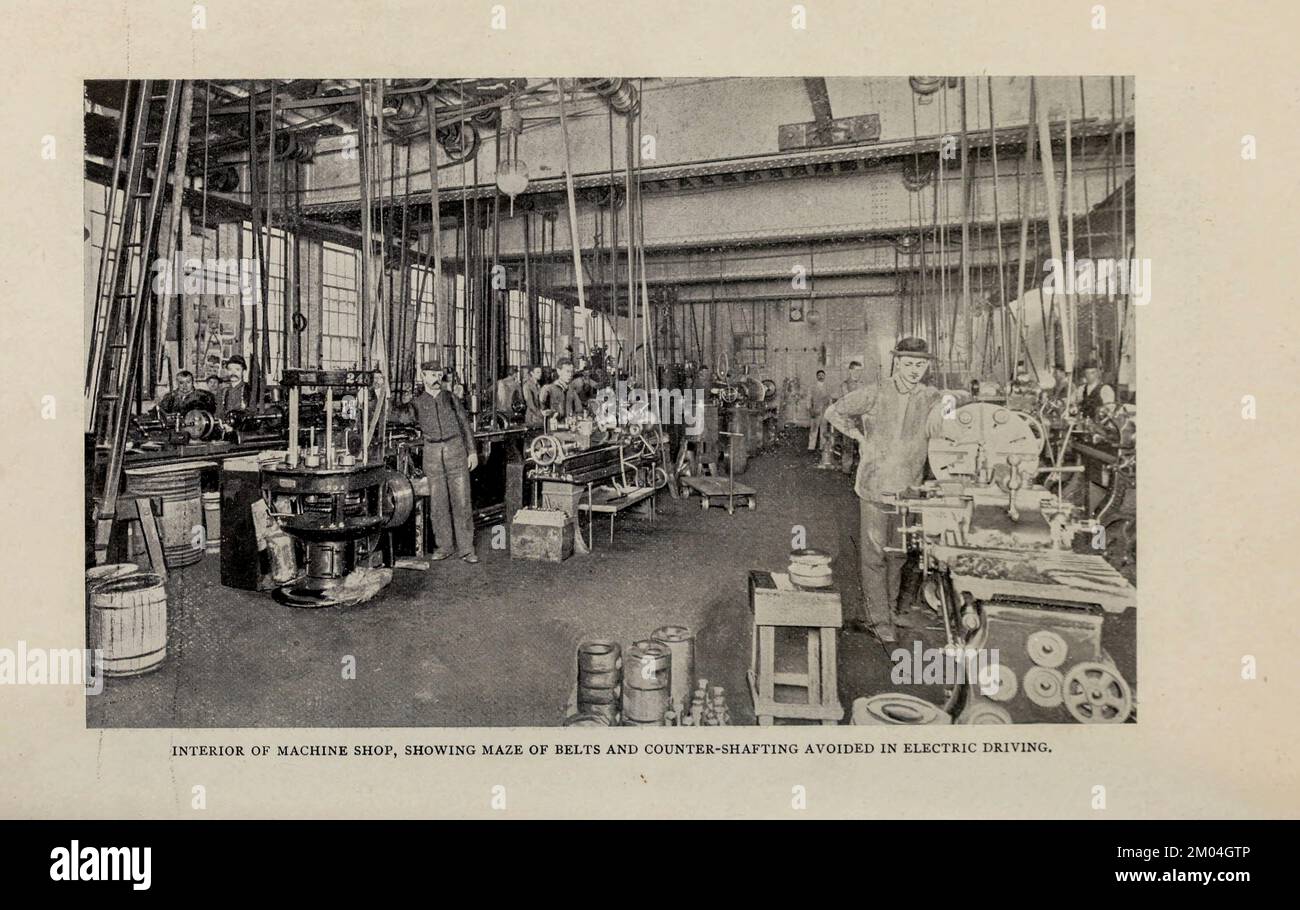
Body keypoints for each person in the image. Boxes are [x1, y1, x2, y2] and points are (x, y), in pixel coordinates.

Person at [823, 337, 960, 644]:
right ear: (897, 362)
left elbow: (952, 414)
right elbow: (833, 412)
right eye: (909, 364)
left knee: (897, 554)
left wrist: (949, 405)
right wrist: (859, 437)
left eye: (921, 364)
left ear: (927, 366)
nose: (914, 370)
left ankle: (890, 613)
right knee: (874, 555)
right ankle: (879, 620)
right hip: (874, 486)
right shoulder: (876, 391)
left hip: (909, 489)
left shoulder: (931, 396)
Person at [399, 361, 480, 563]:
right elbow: (401, 418)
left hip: (455, 450)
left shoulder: (451, 398)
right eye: (432, 375)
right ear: (423, 376)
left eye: (439, 374)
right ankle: (444, 546)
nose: (436, 378)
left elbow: (465, 425)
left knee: (462, 501)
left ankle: (467, 549)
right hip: (432, 453)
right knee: (438, 503)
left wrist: (472, 452)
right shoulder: (417, 403)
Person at [837, 361, 865, 474]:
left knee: (862, 442)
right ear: (850, 370)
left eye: (860, 370)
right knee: (848, 443)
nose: (858, 373)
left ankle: (861, 468)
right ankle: (846, 467)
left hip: (861, 418)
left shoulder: (863, 384)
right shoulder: (845, 385)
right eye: (856, 370)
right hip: (848, 417)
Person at [541, 358, 575, 423]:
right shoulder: (548, 389)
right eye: (567, 371)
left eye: (572, 372)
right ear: (559, 371)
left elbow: (578, 409)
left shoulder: (571, 390)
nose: (570, 375)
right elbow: (542, 411)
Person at [807, 369, 831, 452]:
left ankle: (822, 447)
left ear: (824, 376)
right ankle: (811, 447)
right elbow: (808, 399)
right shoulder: (812, 387)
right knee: (813, 429)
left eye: (822, 375)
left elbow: (830, 400)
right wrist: (810, 409)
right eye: (819, 375)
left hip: (824, 411)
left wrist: (829, 410)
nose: (821, 377)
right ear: (816, 376)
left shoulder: (827, 387)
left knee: (823, 429)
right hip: (815, 410)